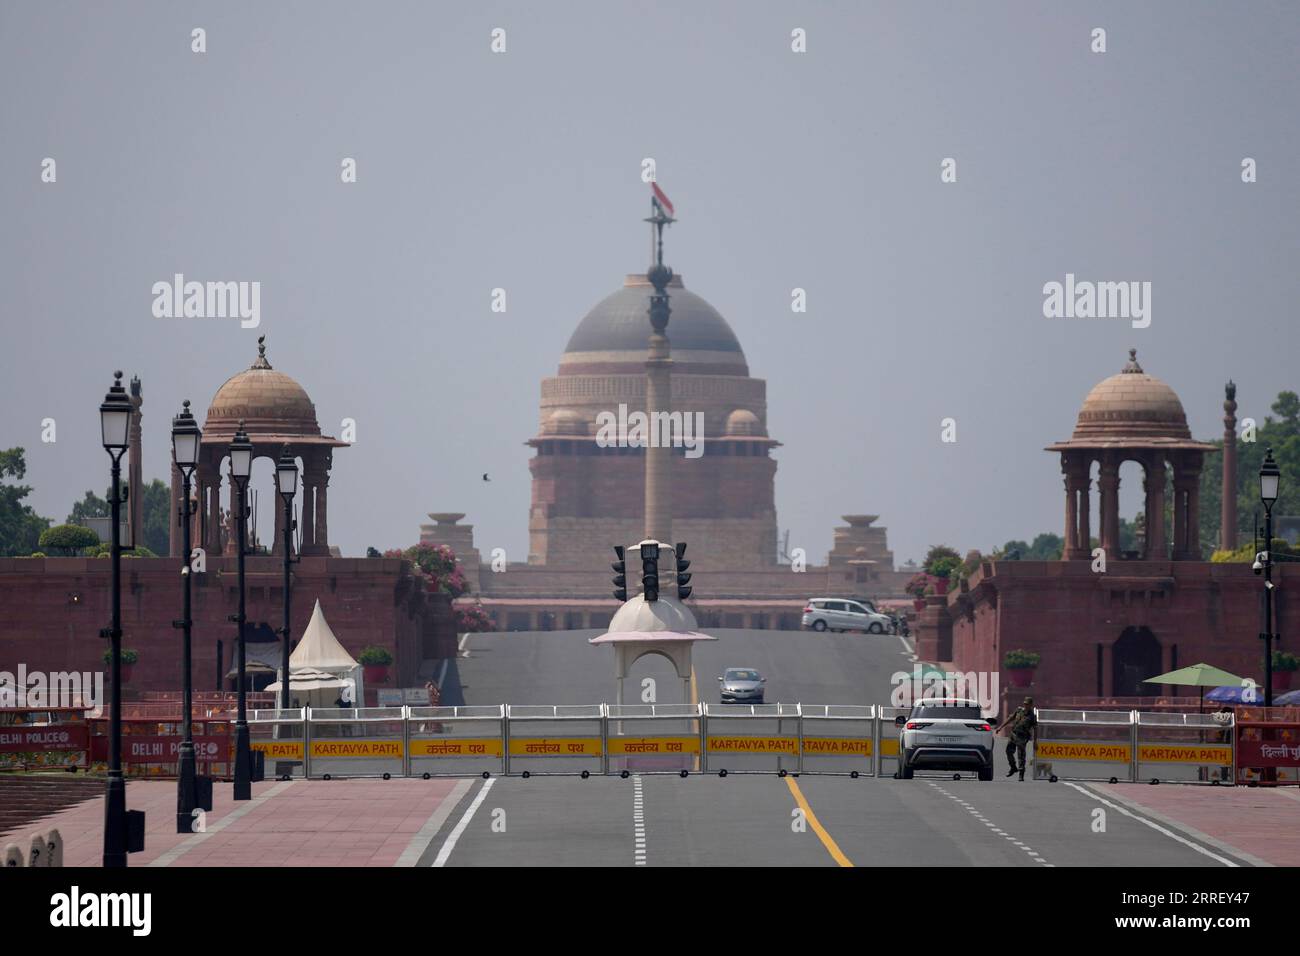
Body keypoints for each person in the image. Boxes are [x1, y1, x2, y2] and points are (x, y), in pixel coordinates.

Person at [998, 696, 1037, 781]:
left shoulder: (1032, 716)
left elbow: (1035, 729)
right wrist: (1000, 727)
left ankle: (1021, 774)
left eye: (1027, 704)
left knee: (1021, 756)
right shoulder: (1019, 710)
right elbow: (1010, 718)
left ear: (1031, 705)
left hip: (1023, 737)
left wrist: (1035, 741)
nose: (1025, 705)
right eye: (1025, 704)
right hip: (1013, 734)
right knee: (1008, 751)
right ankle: (1013, 768)